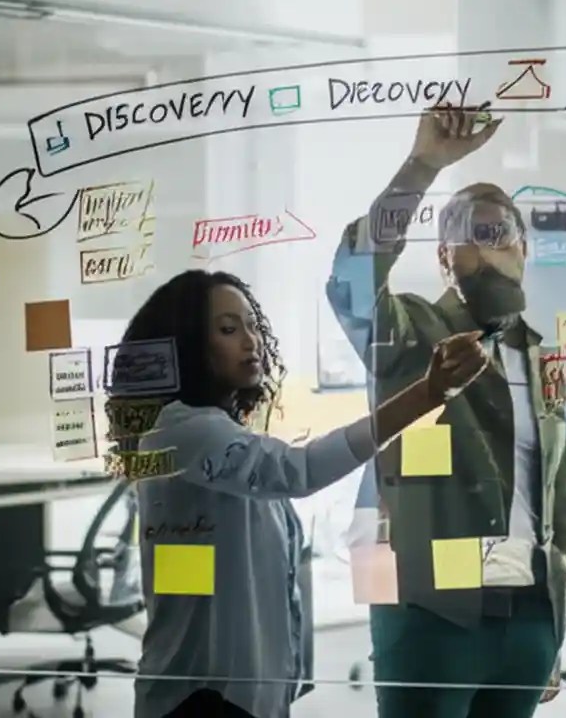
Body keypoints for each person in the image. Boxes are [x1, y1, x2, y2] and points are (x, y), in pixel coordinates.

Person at [113, 269, 489, 718]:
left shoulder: (222, 435)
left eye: (253, 326)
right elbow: (301, 469)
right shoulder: (181, 430)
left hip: (240, 694)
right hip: (199, 697)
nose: (250, 340)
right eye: (229, 329)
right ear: (188, 345)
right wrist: (427, 395)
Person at [325, 105, 566, 717]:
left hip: (527, 618)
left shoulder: (542, 361)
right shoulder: (410, 334)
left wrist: (553, 621)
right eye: (475, 236)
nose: (493, 250)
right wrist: (421, 168)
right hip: (433, 617)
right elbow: (353, 280)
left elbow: (561, 499)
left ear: (526, 250)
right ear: (444, 259)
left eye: (504, 235)